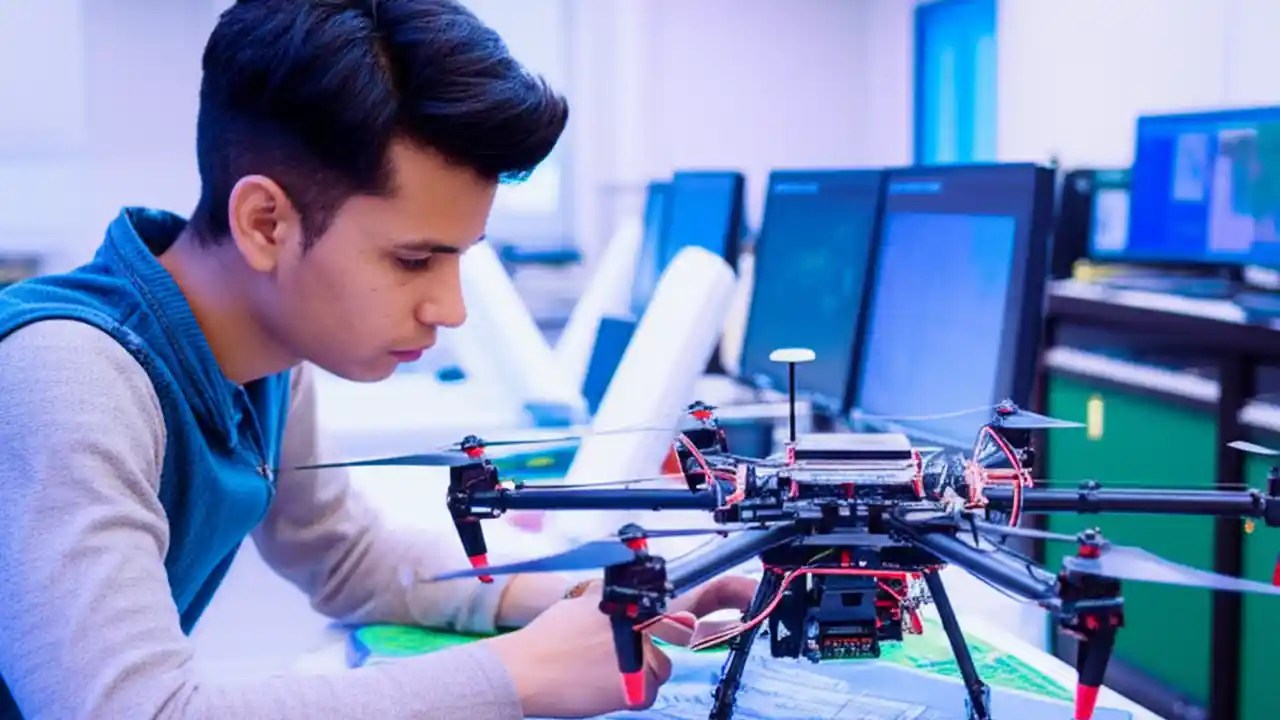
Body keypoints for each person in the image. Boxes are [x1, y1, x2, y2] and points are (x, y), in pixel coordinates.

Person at [0, 1, 757, 718]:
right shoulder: (69, 373)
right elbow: (127, 709)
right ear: (265, 223)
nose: (450, 308)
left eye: (458, 259)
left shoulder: (264, 357)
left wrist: (597, 593)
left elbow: (346, 554)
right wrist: (516, 675)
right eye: (414, 259)